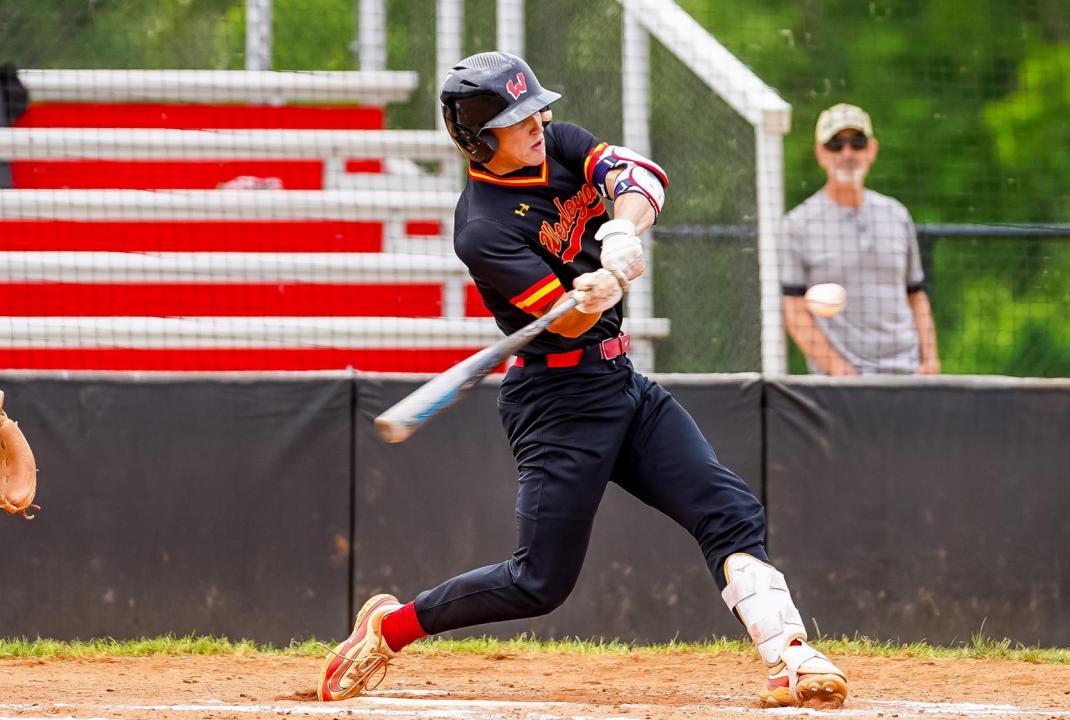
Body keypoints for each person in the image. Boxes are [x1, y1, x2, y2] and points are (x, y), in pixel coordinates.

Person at [316, 52, 848, 709]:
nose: (538, 121)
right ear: (479, 138)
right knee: (540, 582)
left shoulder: (560, 144)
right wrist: (589, 294)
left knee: (729, 511)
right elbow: (563, 327)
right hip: (557, 400)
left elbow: (641, 175)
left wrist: (623, 228)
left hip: (621, 380)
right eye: (518, 118)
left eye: (537, 108)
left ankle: (791, 658)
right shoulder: (481, 228)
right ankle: (390, 628)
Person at [781, 103, 939, 376]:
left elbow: (916, 294)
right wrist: (842, 373)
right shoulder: (798, 224)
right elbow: (793, 311)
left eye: (857, 142)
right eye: (835, 144)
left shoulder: (896, 214)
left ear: (872, 149)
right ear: (820, 153)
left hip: (909, 373)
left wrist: (930, 362)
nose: (847, 153)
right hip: (841, 386)